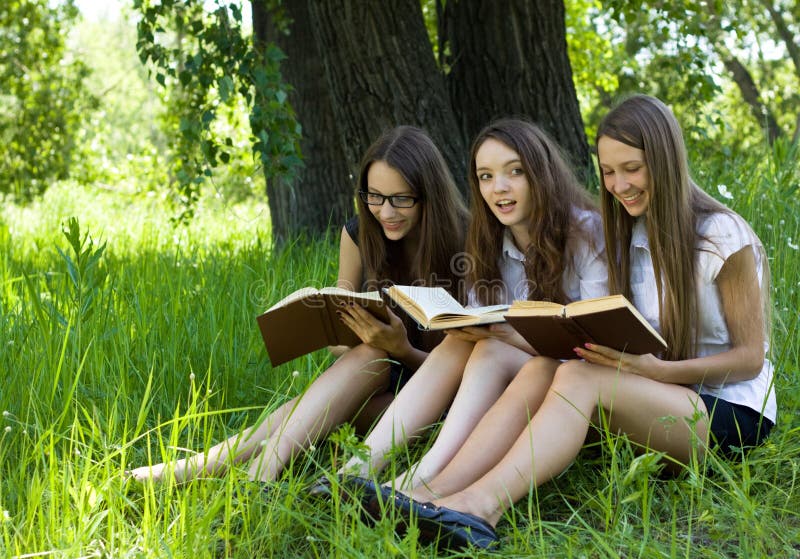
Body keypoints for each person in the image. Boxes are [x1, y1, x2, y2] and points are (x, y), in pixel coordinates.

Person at [390, 95, 777, 550]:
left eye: (631, 168)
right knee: (541, 368)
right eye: (608, 172)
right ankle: (429, 493)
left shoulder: (720, 234)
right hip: (656, 396)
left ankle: (479, 507)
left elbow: (751, 360)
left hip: (726, 413)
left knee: (577, 378)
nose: (619, 185)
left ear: (665, 160)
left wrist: (660, 371)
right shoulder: (624, 234)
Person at [127, 125, 469, 484]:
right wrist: (335, 326)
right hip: (377, 381)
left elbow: (472, 371)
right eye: (374, 197)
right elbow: (340, 347)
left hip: (444, 398)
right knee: (365, 361)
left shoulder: (467, 242)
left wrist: (400, 349)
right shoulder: (359, 234)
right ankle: (250, 468)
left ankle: (212, 466)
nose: (385, 212)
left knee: (319, 405)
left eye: (401, 199)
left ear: (428, 195)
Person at [337, 119, 607, 495]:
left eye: (515, 172)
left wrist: (508, 334)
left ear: (541, 174)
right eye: (485, 176)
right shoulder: (489, 239)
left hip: (572, 389)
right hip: (509, 378)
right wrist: (469, 327)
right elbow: (482, 318)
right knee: (465, 342)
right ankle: (360, 469)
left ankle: (420, 477)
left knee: (492, 347)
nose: (499, 188)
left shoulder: (588, 234)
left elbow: (598, 343)